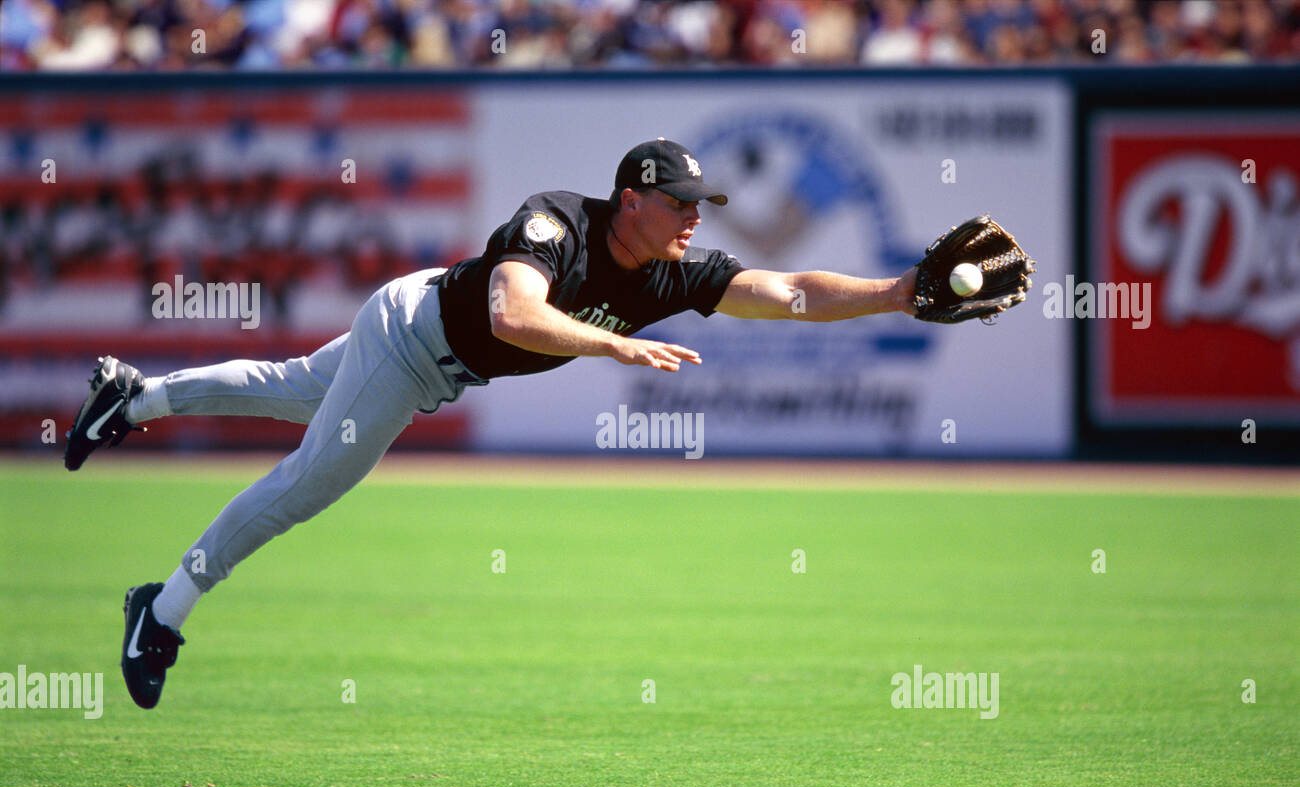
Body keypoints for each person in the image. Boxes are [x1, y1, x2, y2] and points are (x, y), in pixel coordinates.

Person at [64, 138, 919, 709]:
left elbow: (790, 290)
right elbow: (513, 314)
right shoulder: (558, 221)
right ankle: (162, 609)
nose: (696, 217)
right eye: (681, 202)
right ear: (631, 200)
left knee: (289, 388)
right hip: (410, 342)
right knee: (305, 485)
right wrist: (611, 351)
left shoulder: (672, 271)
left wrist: (899, 293)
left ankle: (132, 400)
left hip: (426, 340)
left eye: (703, 203)